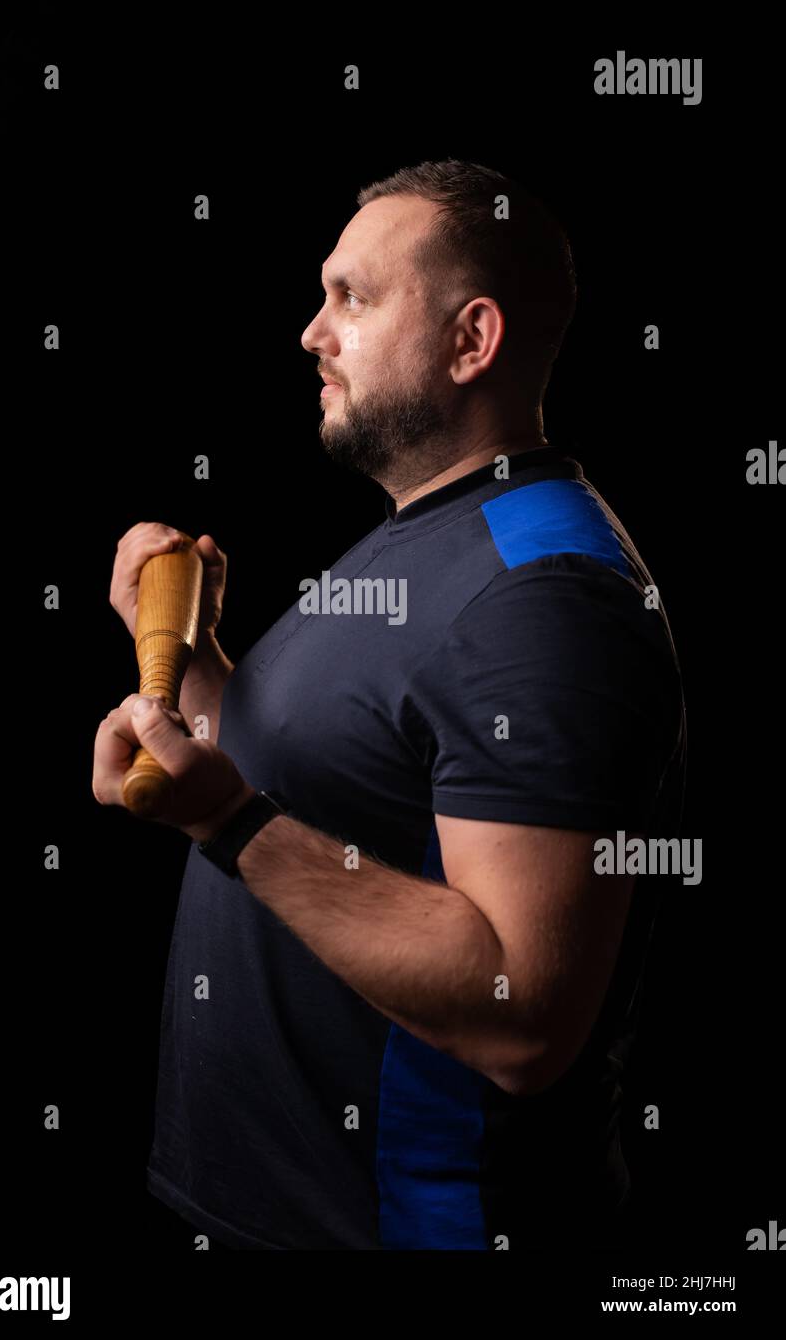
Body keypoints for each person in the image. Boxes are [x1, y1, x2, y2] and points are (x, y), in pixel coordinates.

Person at [94, 159, 687, 1251]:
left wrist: (225, 824)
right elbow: (331, 787)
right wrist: (198, 661)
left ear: (472, 341)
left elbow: (523, 1015)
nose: (312, 334)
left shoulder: (545, 595)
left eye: (352, 298)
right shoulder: (431, 529)